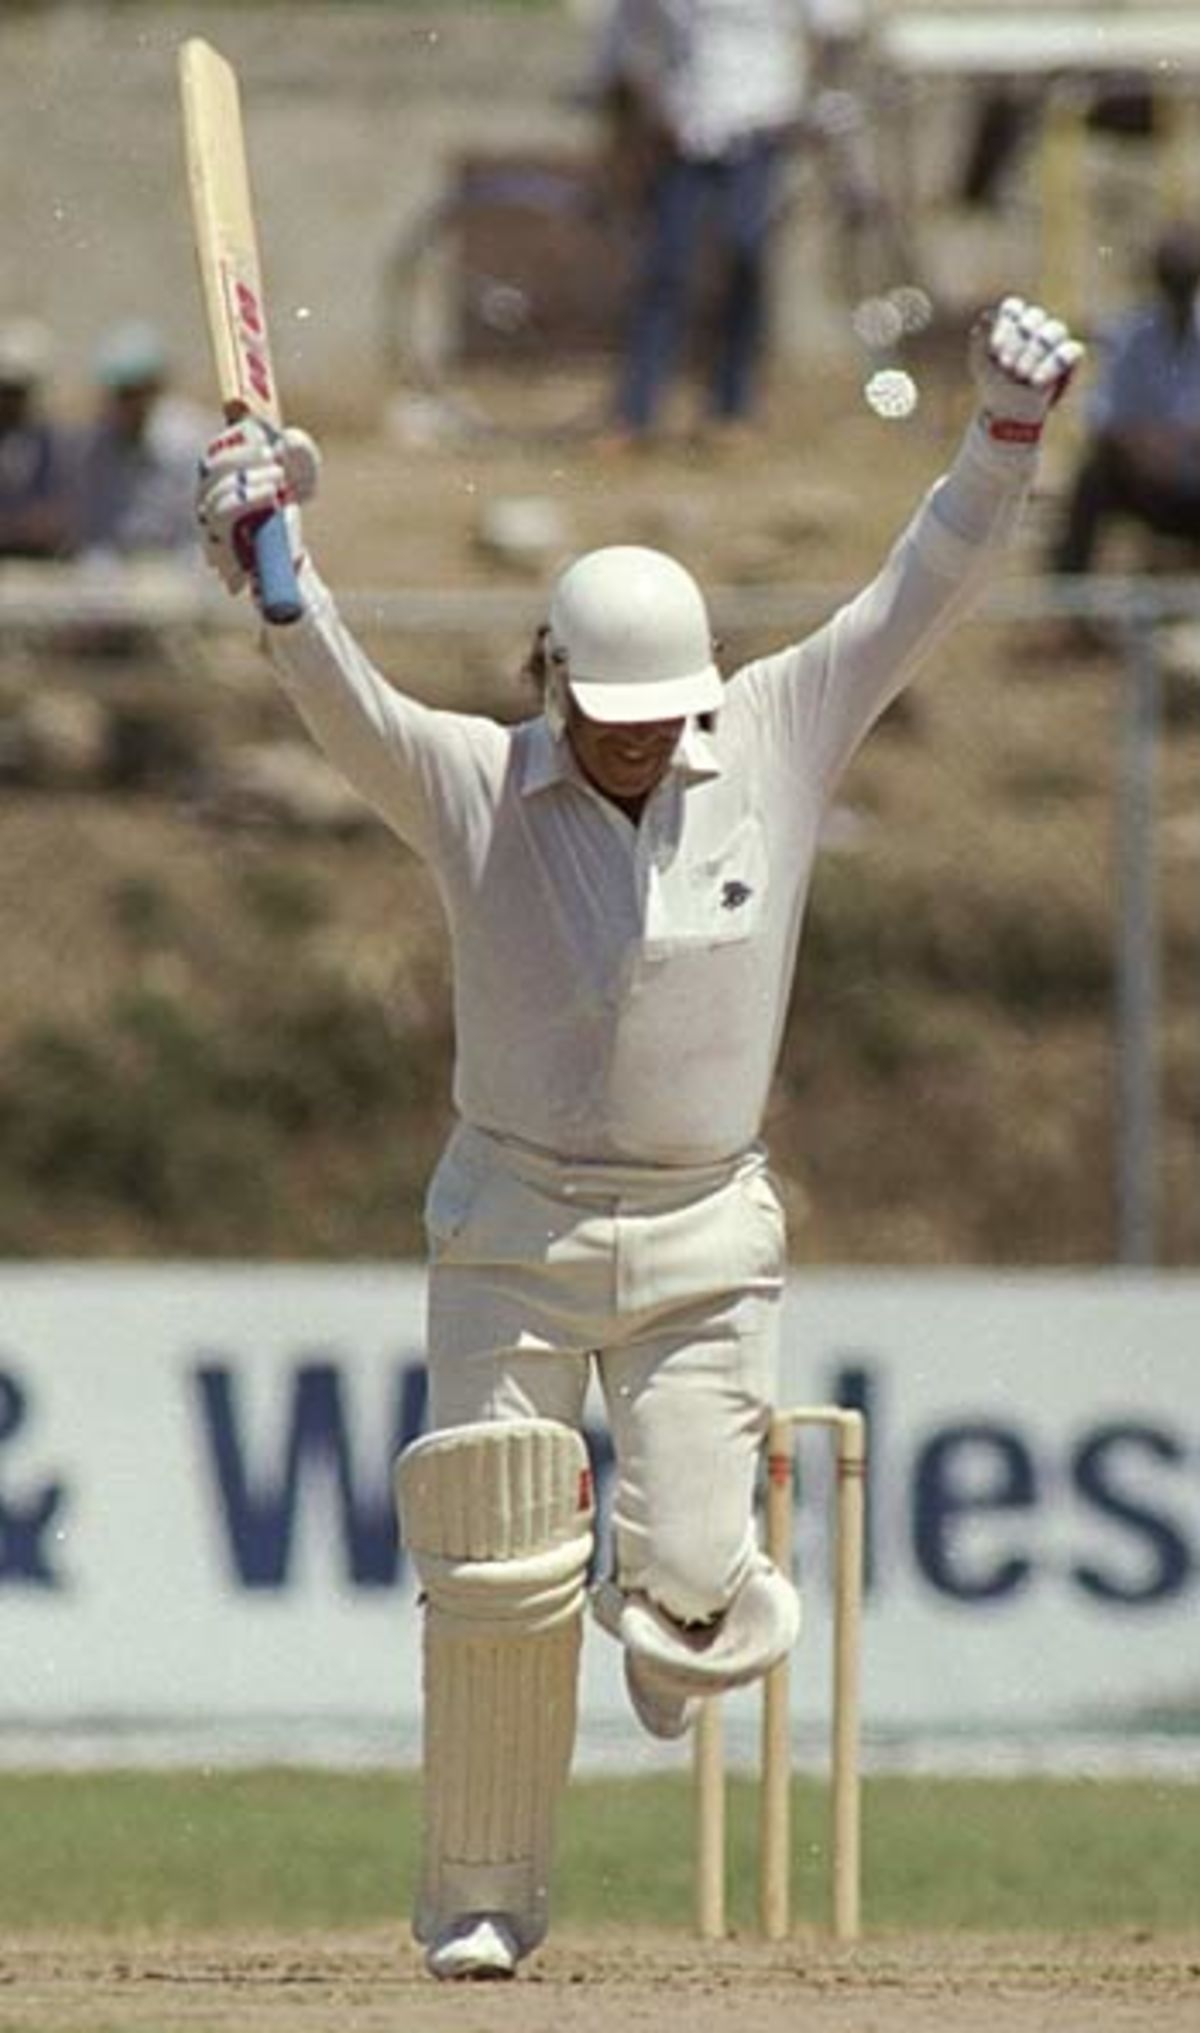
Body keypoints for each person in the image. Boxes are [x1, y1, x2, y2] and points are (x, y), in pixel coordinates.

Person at [194, 295, 1082, 1981]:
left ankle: (677, 1616)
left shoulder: (776, 736)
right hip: (511, 1226)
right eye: (608, 705)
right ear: (549, 675)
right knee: (492, 1564)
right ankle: (482, 1900)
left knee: (690, 1592)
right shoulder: (476, 784)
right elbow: (346, 707)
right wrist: (277, 573)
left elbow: (919, 591)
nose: (636, 733)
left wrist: (1003, 436)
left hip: (703, 1231)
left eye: (660, 707)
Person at [588, 0, 809, 446]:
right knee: (667, 265)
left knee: (744, 256)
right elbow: (627, 32)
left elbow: (832, 25)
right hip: (682, 126)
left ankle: (733, 407)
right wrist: (634, 107)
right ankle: (636, 412)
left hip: (760, 125)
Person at [1048, 222, 1200, 580]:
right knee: (1094, 479)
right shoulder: (1132, 335)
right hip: (1147, 480)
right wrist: (1147, 448)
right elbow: (1104, 420)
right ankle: (1070, 599)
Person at [73, 320, 211, 565]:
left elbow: (200, 530)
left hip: (182, 568)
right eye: (121, 393)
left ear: (155, 388)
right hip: (122, 575)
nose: (128, 403)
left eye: (134, 392)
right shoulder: (97, 446)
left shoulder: (189, 441)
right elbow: (98, 533)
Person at [0, 317, 74, 561]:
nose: (10, 401)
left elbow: (56, 519)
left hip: (38, 567)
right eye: (6, 391)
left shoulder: (49, 443)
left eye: (18, 392)